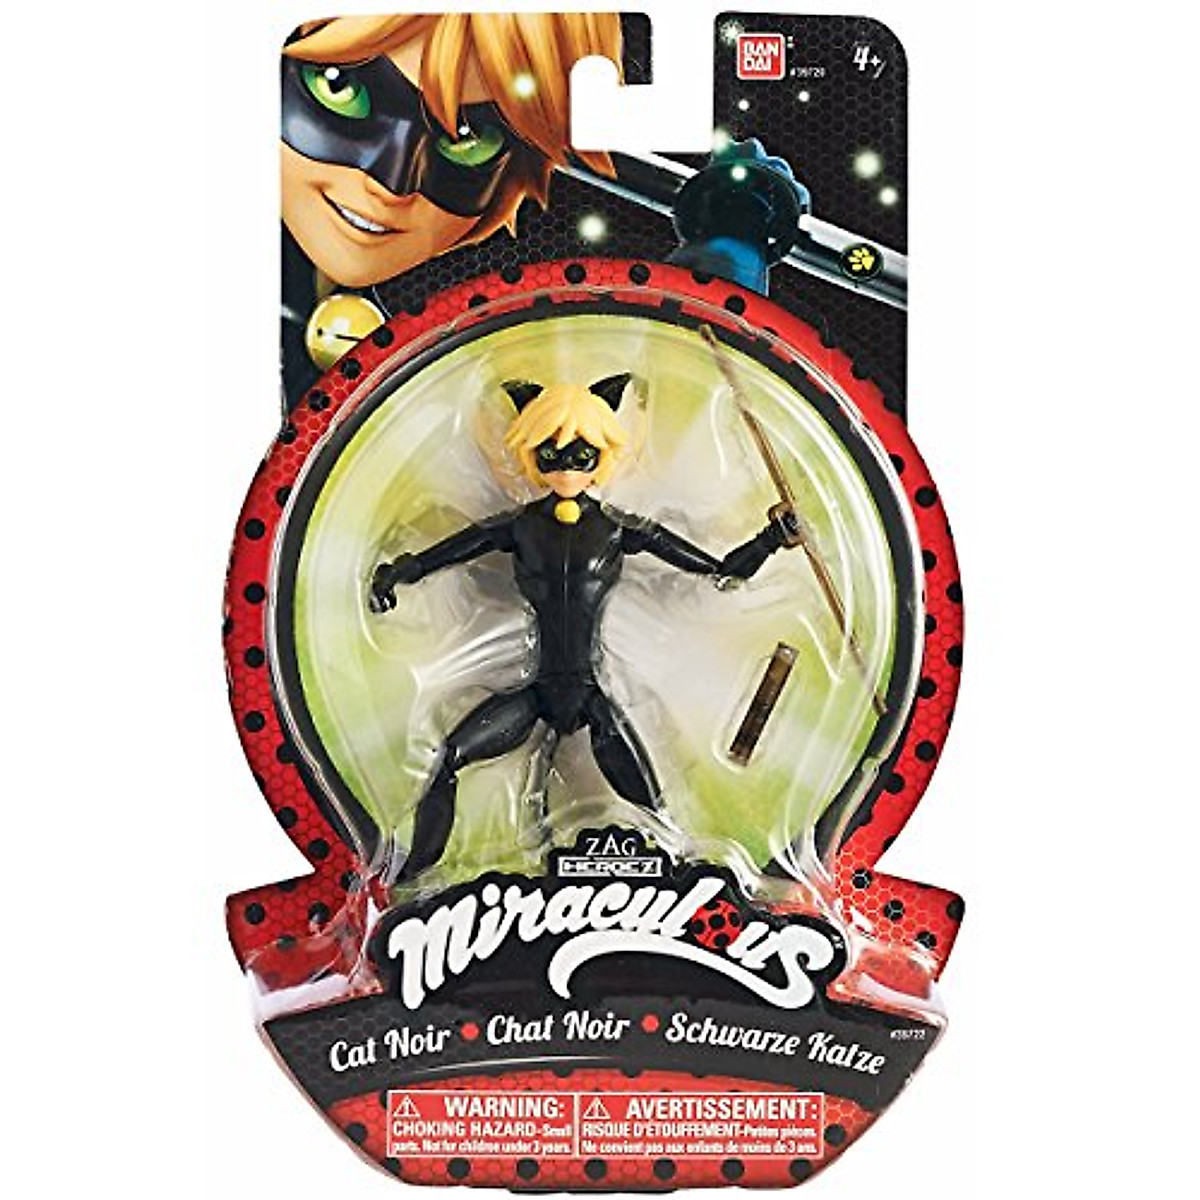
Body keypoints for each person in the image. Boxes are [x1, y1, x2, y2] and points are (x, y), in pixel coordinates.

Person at [369, 375, 801, 881]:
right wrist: (397, 572)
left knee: (657, 809)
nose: (567, 467)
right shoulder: (520, 526)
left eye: (582, 455)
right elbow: (444, 554)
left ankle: (683, 865)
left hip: (591, 693)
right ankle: (414, 872)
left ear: (603, 455)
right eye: (551, 455)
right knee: (449, 758)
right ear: (531, 455)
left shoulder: (617, 528)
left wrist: (771, 537)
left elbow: (720, 572)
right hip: (536, 691)